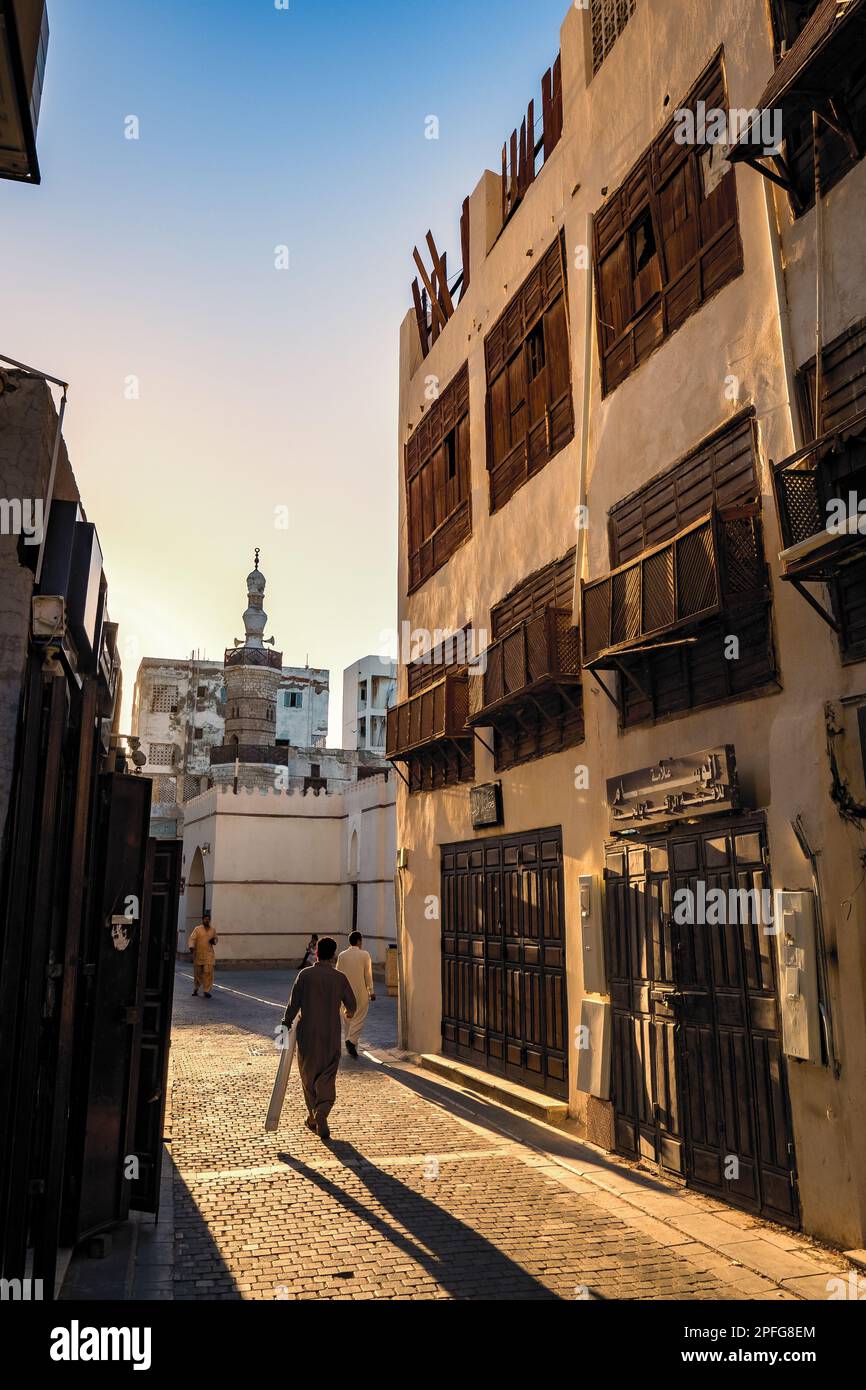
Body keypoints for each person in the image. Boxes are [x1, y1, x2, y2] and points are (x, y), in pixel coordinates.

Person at [282, 936, 356, 1140]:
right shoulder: (340, 978)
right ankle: (321, 1111)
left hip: (307, 1033)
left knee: (308, 1074)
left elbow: (293, 1003)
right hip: (330, 1032)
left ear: (316, 952)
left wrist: (286, 1022)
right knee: (328, 1072)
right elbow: (352, 1005)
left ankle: (313, 1115)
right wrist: (349, 1013)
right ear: (333, 955)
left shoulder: (305, 975)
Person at [337, 932, 375, 1058]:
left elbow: (338, 974)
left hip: (344, 992)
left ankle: (351, 1045)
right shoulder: (365, 955)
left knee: (348, 1018)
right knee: (359, 1017)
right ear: (359, 941)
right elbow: (368, 975)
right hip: (360, 991)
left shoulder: (342, 956)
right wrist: (371, 991)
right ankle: (351, 1040)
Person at [188, 911, 218, 998]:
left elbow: (216, 939)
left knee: (208, 972)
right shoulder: (197, 929)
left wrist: (214, 941)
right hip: (198, 954)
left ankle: (206, 990)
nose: (207, 921)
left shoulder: (213, 930)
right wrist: (191, 947)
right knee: (198, 973)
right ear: (202, 920)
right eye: (205, 919)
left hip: (209, 954)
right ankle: (196, 988)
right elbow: (192, 939)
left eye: (208, 919)